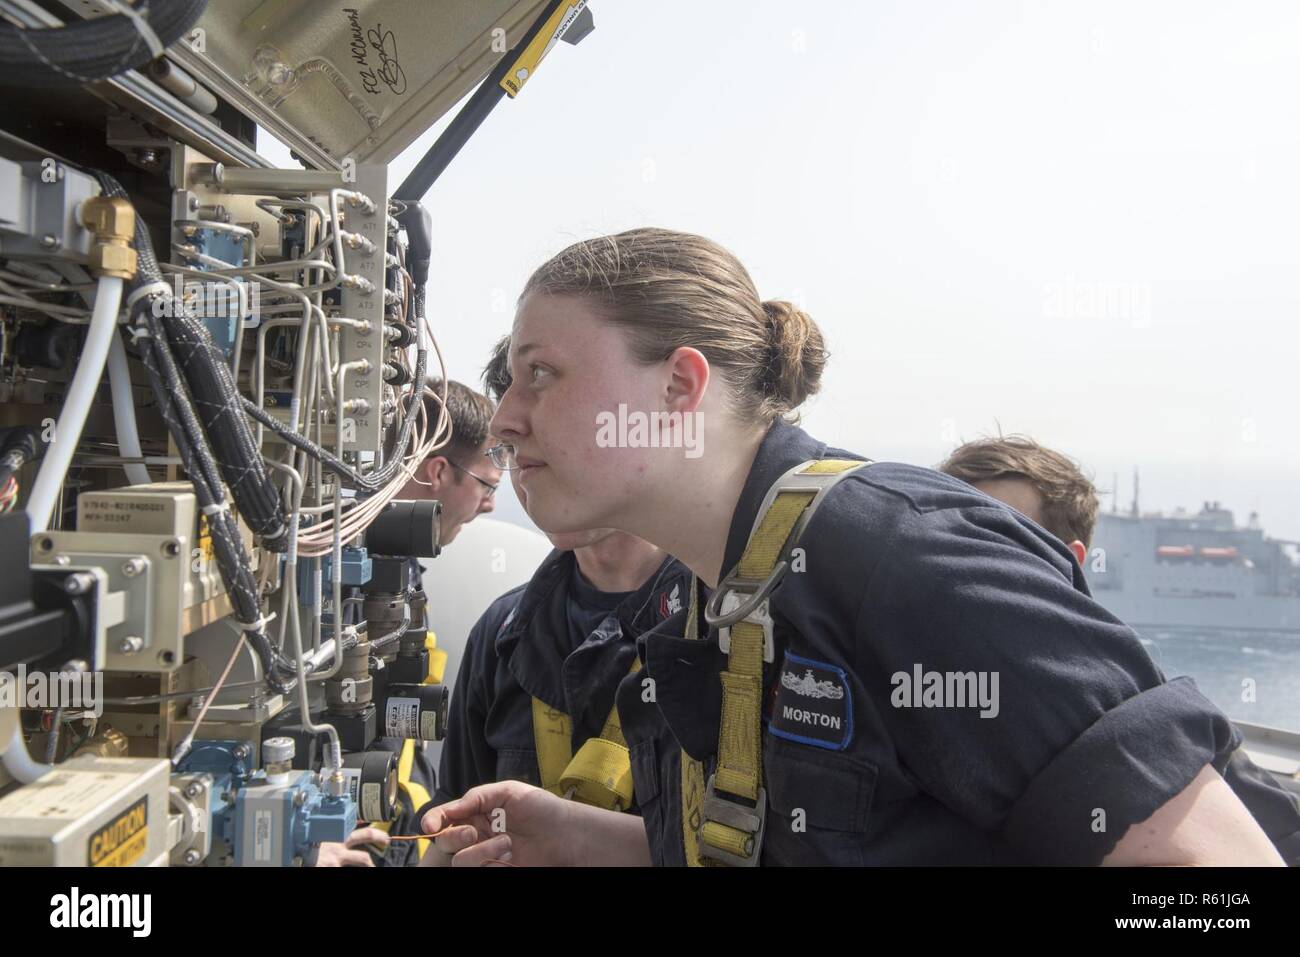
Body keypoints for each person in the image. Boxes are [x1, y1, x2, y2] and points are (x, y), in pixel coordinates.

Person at [420, 226, 1283, 866]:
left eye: (543, 372)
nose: (503, 417)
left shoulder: (901, 556)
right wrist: (582, 839)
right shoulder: (708, 599)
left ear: (678, 386)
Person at [940, 434, 1300, 865]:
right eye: (946, 536)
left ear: (1068, 561)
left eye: (997, 537)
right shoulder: (880, 669)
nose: (964, 559)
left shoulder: (1149, 718)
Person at [429, 337, 692, 827]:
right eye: (513, 451)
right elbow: (457, 824)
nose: (523, 464)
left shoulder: (724, 631)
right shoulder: (501, 633)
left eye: (550, 428)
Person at [314, 378, 501, 866]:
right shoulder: (334, 573)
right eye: (486, 485)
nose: (490, 505)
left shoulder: (396, 564)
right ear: (438, 471)